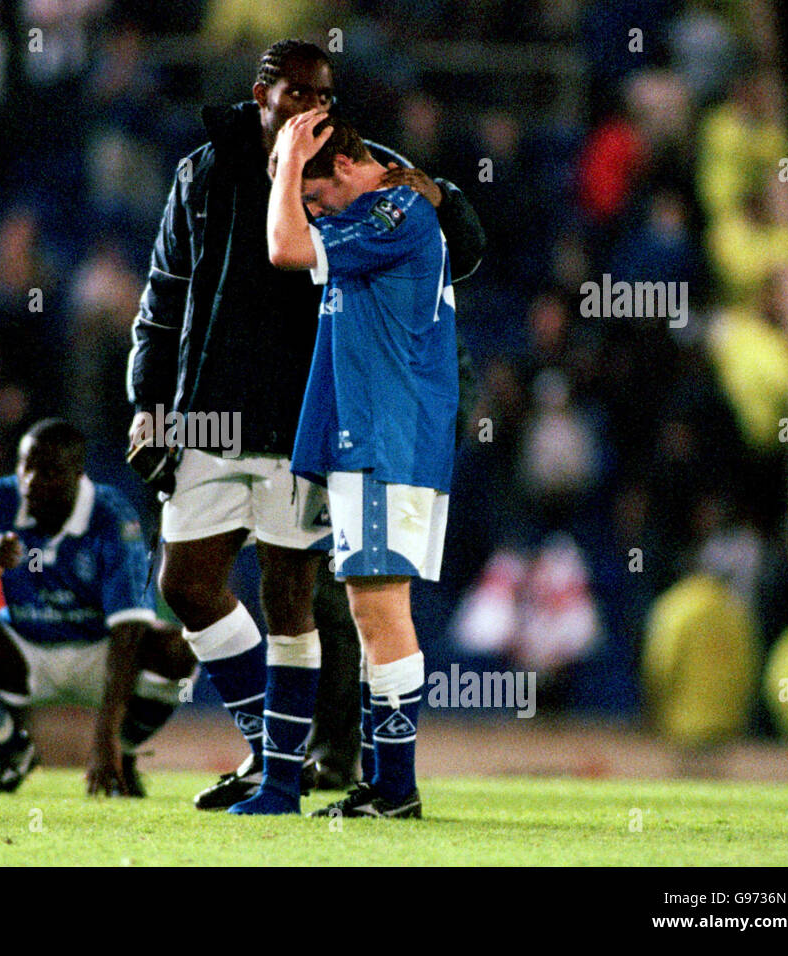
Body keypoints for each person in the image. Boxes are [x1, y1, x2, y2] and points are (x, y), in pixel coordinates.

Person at [126, 39, 484, 812]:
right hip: (228, 419)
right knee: (190, 584)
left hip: (326, 425)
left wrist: (437, 196)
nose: (310, 109)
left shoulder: (378, 189)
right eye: (295, 94)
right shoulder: (207, 169)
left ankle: (339, 780)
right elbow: (163, 299)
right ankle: (289, 764)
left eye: (322, 95)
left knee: (326, 602)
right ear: (261, 92)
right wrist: (151, 405)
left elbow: (309, 243)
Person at [266, 110, 459, 818]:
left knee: (380, 607)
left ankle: (398, 788)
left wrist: (288, 162)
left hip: (388, 436)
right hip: (378, 435)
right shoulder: (393, 204)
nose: (313, 210)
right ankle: (386, 782)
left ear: (344, 167)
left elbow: (284, 248)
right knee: (370, 607)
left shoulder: (392, 214)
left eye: (317, 195)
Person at [0, 419, 196, 796]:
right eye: (25, 466)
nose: (31, 481)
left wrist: (105, 738)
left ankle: (124, 755)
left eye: (47, 471)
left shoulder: (112, 514)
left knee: (180, 650)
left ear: (77, 475)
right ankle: (11, 748)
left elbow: (128, 629)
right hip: (24, 654)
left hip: (101, 657)